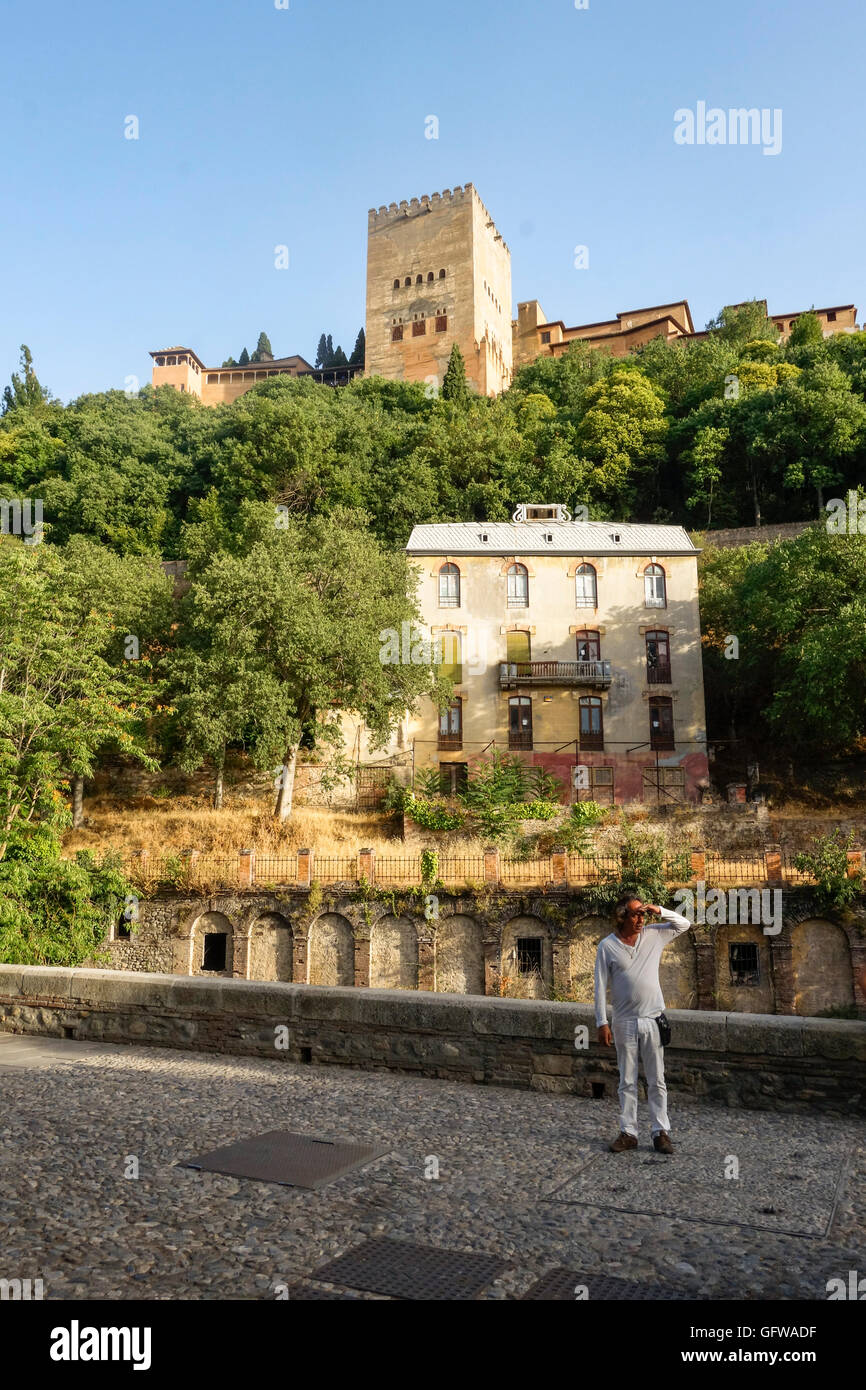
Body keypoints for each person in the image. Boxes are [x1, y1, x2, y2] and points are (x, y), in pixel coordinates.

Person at [594, 895, 691, 1155]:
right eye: (635, 914)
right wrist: (602, 1022)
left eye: (643, 914)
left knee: (656, 1079)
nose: (640, 919)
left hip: (652, 1019)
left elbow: (684, 924)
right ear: (622, 916)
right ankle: (629, 1132)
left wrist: (658, 910)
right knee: (626, 1080)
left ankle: (660, 1132)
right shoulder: (607, 946)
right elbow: (600, 986)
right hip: (624, 1021)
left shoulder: (654, 934)